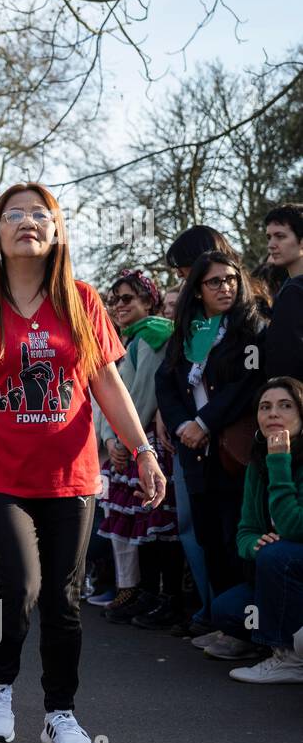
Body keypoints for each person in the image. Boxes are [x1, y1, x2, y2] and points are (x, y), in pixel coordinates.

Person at [0, 182, 164, 743]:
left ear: (57, 232)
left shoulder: (82, 301)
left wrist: (143, 450)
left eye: (41, 214)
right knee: (21, 584)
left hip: (72, 476)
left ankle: (60, 714)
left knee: (64, 597)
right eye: (14, 215)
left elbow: (107, 385)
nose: (28, 222)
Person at [156, 250, 266, 656]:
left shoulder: (251, 330)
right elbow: (165, 380)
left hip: (234, 456)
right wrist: (183, 424)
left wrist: (204, 424)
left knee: (236, 536)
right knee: (209, 541)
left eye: (232, 279)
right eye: (215, 281)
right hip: (195, 455)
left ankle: (250, 634)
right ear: (197, 290)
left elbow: (249, 384)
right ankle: (226, 624)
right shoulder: (189, 332)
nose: (226, 287)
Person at [91, 271, 181, 628]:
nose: (118, 306)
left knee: (158, 525)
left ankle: (166, 598)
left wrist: (127, 441)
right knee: (135, 526)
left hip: (145, 446)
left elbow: (141, 395)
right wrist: (110, 439)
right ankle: (139, 592)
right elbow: (103, 397)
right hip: (125, 445)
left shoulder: (155, 336)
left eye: (127, 298)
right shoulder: (127, 339)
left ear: (148, 301)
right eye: (113, 300)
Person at [226, 378, 303, 682]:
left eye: (285, 406)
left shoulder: (276, 460)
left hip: (289, 562)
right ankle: (291, 635)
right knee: (227, 611)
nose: (273, 414)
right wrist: (256, 544)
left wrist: (280, 461)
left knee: (278, 555)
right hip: (282, 571)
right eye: (265, 407)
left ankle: (287, 657)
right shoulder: (258, 463)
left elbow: (293, 527)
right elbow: (245, 532)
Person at [262, 204, 303, 381]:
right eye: (269, 237)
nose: (271, 245)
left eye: (280, 236)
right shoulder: (288, 288)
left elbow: (286, 359)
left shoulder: (295, 292)